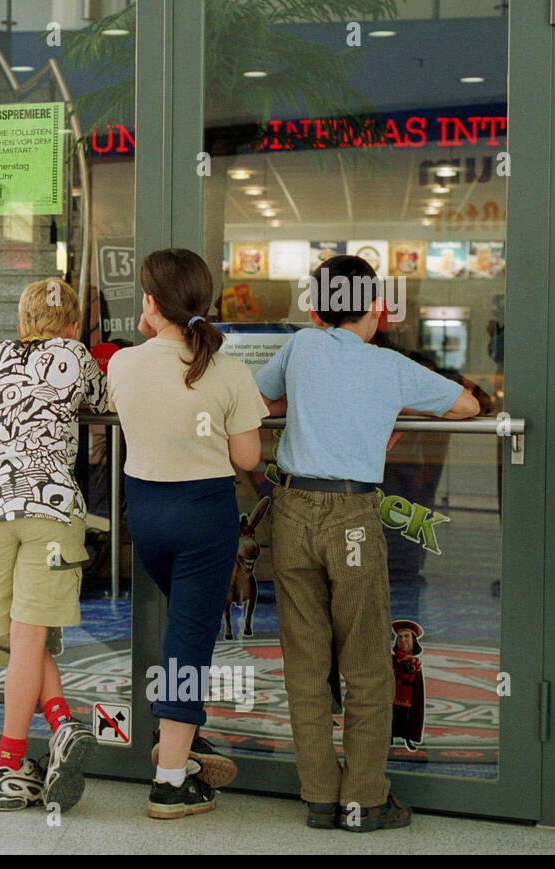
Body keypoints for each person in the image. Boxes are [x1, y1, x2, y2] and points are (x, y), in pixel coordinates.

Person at [255, 254, 478, 831]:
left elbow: (258, 402)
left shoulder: (301, 349)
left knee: (305, 662)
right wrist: (383, 406)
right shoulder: (390, 366)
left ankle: (320, 799)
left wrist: (309, 407)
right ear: (376, 310)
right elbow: (467, 405)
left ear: (316, 308)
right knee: (367, 661)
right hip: (351, 515)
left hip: (292, 509)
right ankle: (365, 799)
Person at [107, 248, 266, 818]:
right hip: (204, 512)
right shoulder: (228, 369)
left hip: (145, 511)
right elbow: (247, 454)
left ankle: (183, 737)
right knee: (190, 639)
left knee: (183, 626)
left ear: (151, 302)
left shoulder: (123, 364)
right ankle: (171, 779)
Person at [0, 277, 110, 812]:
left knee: (18, 637)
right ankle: (11, 763)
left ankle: (58, 727)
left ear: (22, 320)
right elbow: (105, 400)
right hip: (51, 510)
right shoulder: (75, 354)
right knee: (29, 638)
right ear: (72, 324)